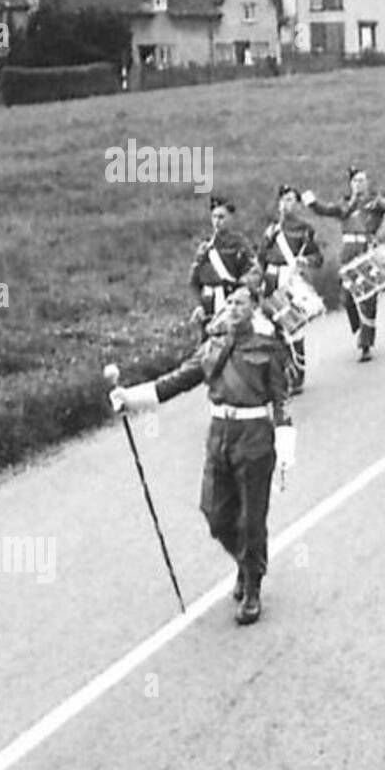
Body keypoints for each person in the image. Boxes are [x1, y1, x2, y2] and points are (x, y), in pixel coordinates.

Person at [110, 285, 293, 626]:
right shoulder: (212, 348)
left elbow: (281, 399)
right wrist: (130, 399)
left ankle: (252, 585)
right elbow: (175, 381)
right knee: (216, 514)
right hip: (219, 436)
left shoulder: (268, 349)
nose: (235, 307)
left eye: (242, 302)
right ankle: (244, 561)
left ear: (255, 308)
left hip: (254, 437)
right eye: (232, 302)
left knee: (251, 519)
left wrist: (285, 445)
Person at [303, 166, 385, 362]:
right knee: (347, 297)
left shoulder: (375, 202)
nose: (359, 184)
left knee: (368, 298)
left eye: (362, 180)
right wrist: (312, 203)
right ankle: (358, 329)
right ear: (350, 184)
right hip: (348, 253)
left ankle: (366, 344)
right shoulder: (345, 205)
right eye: (356, 181)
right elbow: (327, 210)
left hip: (367, 251)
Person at [257, 184, 325, 394]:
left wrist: (304, 261)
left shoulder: (304, 229)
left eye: (291, 200)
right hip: (271, 278)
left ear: (298, 205)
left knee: (293, 327)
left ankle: (298, 375)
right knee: (273, 329)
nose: (287, 205)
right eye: (284, 200)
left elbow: (317, 257)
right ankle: (279, 375)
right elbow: (260, 256)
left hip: (290, 278)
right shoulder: (272, 229)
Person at [189, 196, 259, 339]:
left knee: (229, 340)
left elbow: (253, 270)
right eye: (214, 217)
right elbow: (194, 281)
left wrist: (244, 284)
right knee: (207, 342)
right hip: (208, 301)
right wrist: (198, 305)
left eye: (221, 217)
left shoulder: (239, 243)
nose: (217, 221)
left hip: (229, 299)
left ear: (231, 219)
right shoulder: (205, 246)